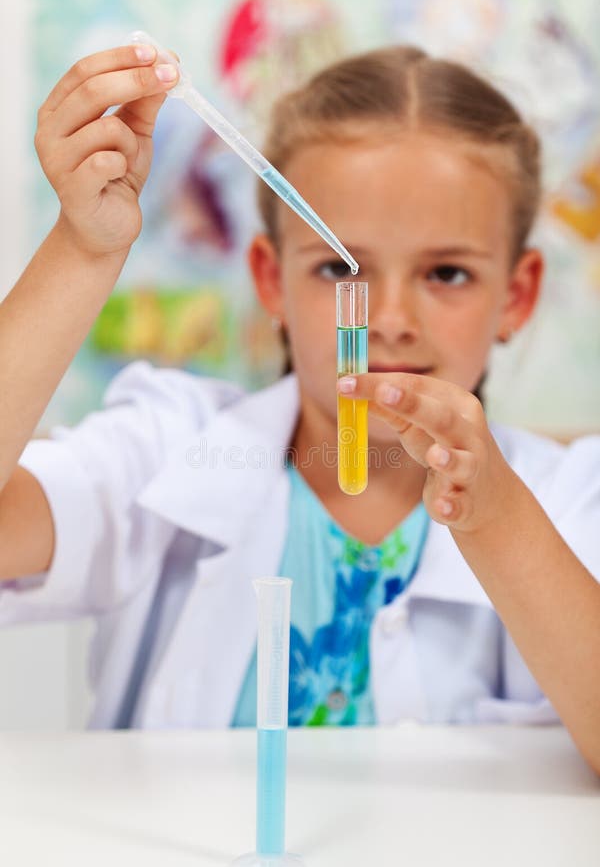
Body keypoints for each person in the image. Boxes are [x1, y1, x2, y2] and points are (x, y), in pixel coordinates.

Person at [0, 42, 598, 769]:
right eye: (336, 267)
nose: (389, 317)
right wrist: (84, 248)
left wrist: (500, 520)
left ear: (518, 294)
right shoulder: (168, 449)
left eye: (446, 272)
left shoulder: (568, 500)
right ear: (271, 281)